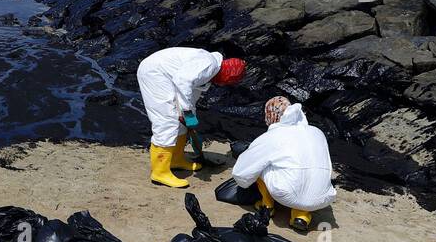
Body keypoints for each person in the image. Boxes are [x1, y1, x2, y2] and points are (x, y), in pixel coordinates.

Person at [136, 46, 246, 189]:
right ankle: (160, 172)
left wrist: (189, 115)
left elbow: (191, 95)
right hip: (154, 73)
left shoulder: (208, 70)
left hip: (168, 76)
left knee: (179, 121)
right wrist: (186, 112)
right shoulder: (208, 65)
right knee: (166, 121)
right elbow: (183, 82)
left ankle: (176, 160)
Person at [231, 96, 336, 232]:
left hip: (286, 194)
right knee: (307, 170)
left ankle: (267, 206)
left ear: (271, 115)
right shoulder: (317, 132)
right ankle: (301, 216)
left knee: (260, 164)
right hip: (323, 197)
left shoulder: (273, 136)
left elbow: (243, 171)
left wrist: (243, 181)